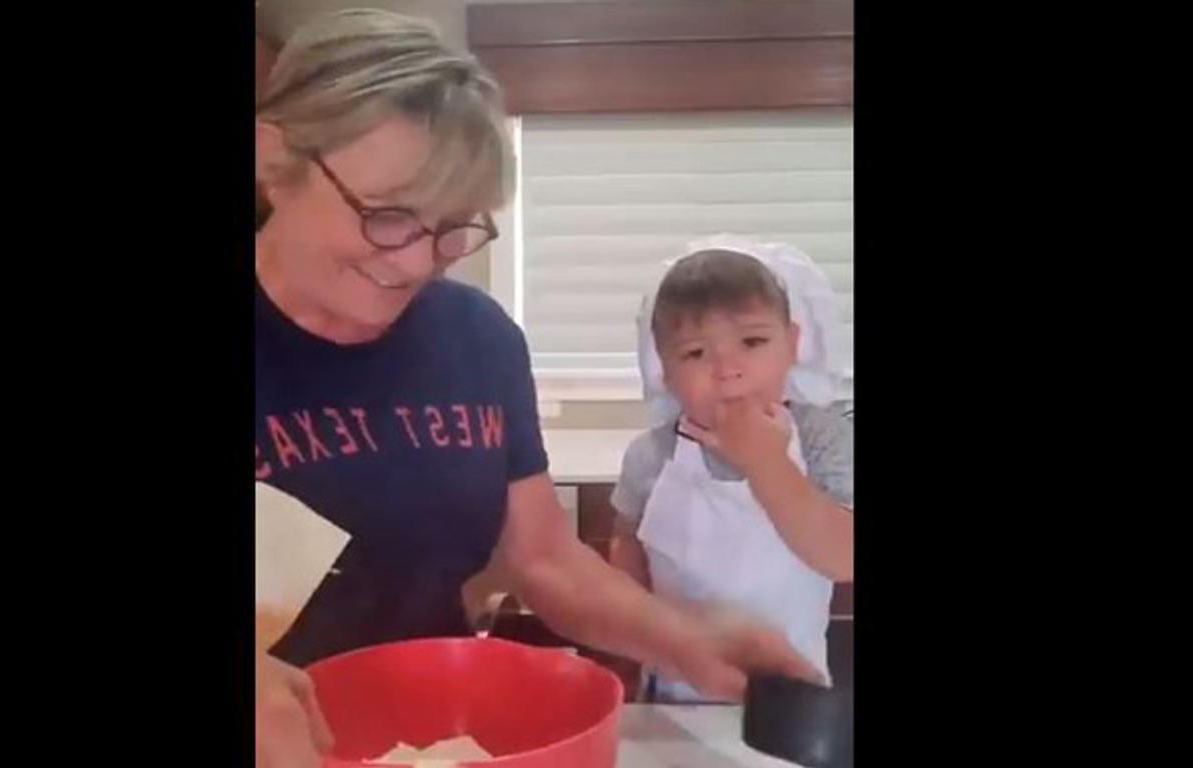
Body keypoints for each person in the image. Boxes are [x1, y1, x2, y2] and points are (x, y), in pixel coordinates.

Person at [253, 10, 818, 765]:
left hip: (428, 739)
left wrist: (686, 638)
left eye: (455, 225)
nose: (421, 262)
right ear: (272, 158)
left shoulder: (477, 338)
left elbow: (541, 555)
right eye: (387, 216)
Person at [609, 244, 855, 702]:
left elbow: (843, 558)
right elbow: (627, 548)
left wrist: (766, 462)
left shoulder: (823, 439)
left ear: (793, 344)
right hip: (673, 695)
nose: (728, 371)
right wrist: (631, 651)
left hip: (794, 697)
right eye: (697, 352)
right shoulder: (652, 455)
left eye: (753, 342)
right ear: (665, 370)